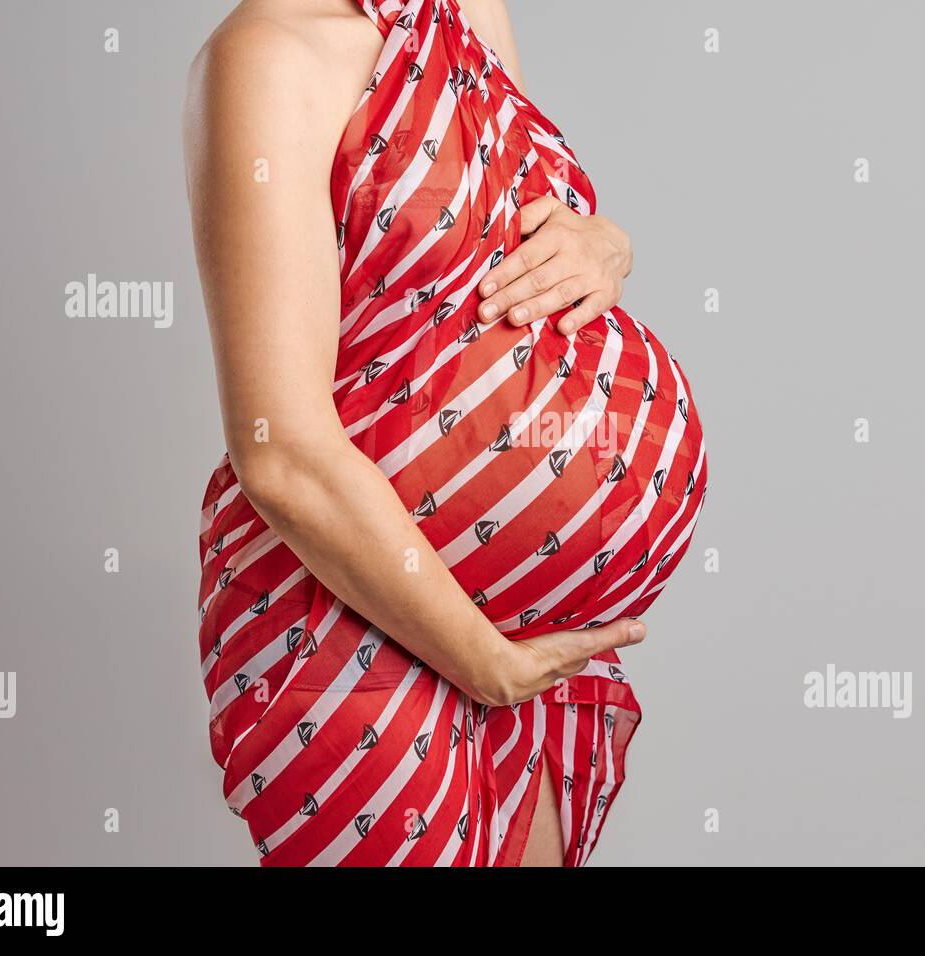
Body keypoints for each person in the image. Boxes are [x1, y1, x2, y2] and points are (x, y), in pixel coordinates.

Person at [184, 0, 706, 866]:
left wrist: (605, 244)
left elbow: (535, 223)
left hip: (520, 628)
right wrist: (478, 660)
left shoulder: (461, 8)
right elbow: (280, 449)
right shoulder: (266, 56)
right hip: (354, 616)